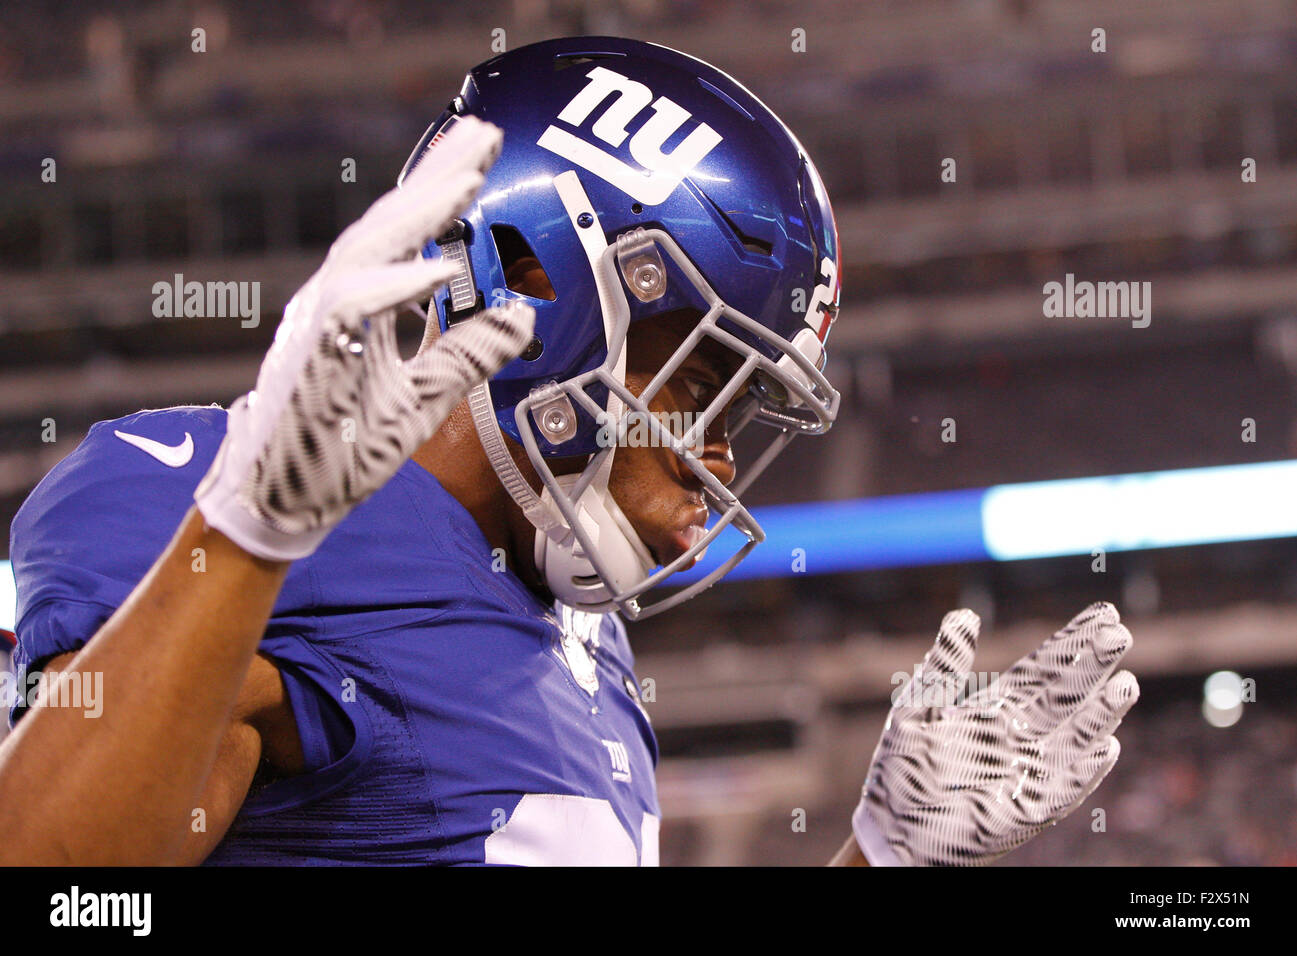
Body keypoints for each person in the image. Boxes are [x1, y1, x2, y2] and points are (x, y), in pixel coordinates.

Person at [0, 36, 1136, 866]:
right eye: (699, 381)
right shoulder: (187, 486)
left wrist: (879, 854)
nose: (721, 465)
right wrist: (240, 534)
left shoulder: (579, 641)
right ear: (541, 281)